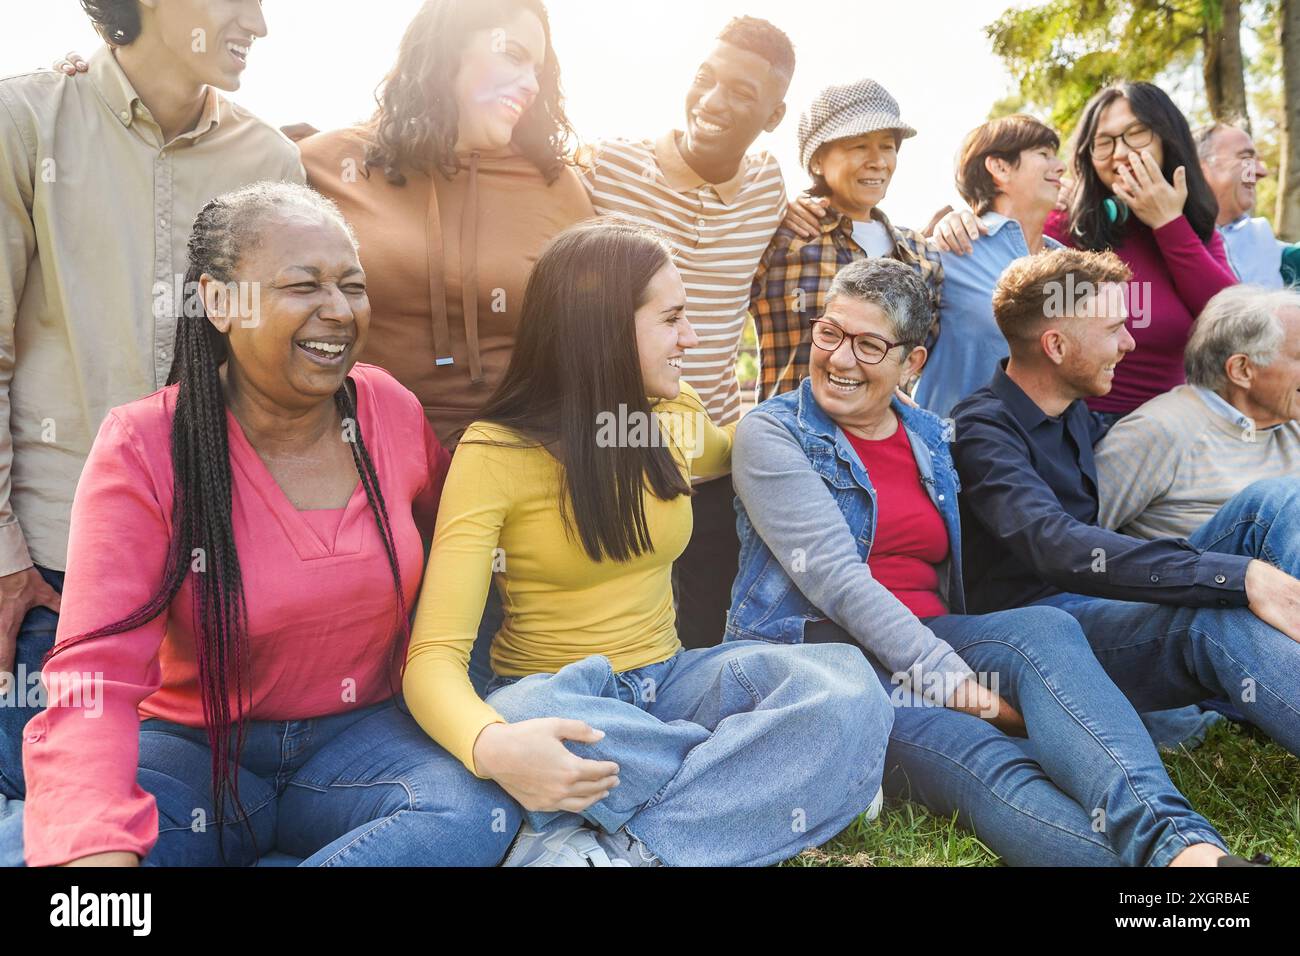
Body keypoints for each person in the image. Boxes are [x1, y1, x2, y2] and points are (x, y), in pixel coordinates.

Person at [18, 182, 517, 867]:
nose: (338, 311)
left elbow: (468, 546)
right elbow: (96, 676)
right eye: (303, 285)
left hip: (361, 745)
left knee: (470, 811)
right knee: (76, 865)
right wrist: (95, 845)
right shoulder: (143, 443)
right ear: (219, 302)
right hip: (194, 752)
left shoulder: (388, 409)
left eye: (352, 285)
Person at [403, 220, 888, 867]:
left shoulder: (676, 414)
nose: (690, 338)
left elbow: (748, 445)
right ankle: (767, 773)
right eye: (672, 319)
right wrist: (492, 745)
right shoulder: (495, 452)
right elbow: (432, 659)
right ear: (602, 328)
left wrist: (835, 394)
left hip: (672, 680)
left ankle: (626, 848)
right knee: (521, 711)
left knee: (850, 686)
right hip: (561, 695)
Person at [729, 257, 1240, 866]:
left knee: (1047, 628)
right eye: (831, 334)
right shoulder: (774, 435)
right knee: (994, 758)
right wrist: (960, 689)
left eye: (869, 345)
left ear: (911, 363)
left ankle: (1186, 850)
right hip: (837, 669)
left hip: (938, 635)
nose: (840, 359)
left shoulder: (931, 438)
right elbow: (838, 580)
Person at [0, 0, 304, 822]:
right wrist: (2, 558)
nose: (261, 24)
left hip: (209, 577)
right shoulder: (22, 120)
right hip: (49, 581)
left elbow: (274, 383)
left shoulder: (269, 158)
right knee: (56, 821)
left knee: (175, 821)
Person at [951, 248, 1300, 771]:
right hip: (1039, 631)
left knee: (1273, 503)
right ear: (1056, 345)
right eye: (1115, 327)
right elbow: (1055, 545)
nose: (1130, 343)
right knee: (1212, 616)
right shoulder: (984, 430)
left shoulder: (1072, 409)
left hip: (1090, 604)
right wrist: (1234, 576)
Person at [578, 16, 793, 649]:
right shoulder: (607, 169)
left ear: (774, 116)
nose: (714, 101)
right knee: (615, 646)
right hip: (609, 451)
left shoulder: (769, 189)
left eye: (742, 94)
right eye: (706, 78)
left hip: (709, 461)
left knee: (704, 636)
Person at [296, 0, 593, 447]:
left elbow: (595, 337)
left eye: (539, 68)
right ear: (447, 50)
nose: (531, 83)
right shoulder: (324, 165)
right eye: (512, 55)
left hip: (517, 458)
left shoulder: (556, 186)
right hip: (354, 452)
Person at [1045, 82, 1237, 420]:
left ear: (1167, 138)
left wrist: (1168, 224)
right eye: (1104, 142)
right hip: (1080, 429)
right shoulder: (1063, 228)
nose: (1120, 153)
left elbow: (1233, 325)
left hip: (1174, 426)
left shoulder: (1194, 229)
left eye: (1137, 134)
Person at [750, 79, 941, 402]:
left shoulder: (922, 255)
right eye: (859, 146)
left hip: (882, 445)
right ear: (817, 161)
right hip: (789, 441)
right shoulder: (782, 238)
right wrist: (773, 209)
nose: (878, 161)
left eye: (887, 145)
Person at [1097, 284, 1300, 539]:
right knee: (1273, 500)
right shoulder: (1158, 430)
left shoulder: (1291, 423)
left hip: (1281, 574)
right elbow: (1074, 541)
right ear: (1241, 370)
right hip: (1197, 575)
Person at [913, 115, 1066, 419]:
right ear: (999, 167)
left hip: (1042, 458)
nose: (1060, 166)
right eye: (1043, 155)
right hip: (952, 452)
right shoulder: (949, 251)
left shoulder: (1071, 268)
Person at [1196, 122, 1289, 289]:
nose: (1262, 172)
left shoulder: (1261, 234)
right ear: (1201, 167)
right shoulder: (1170, 237)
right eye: (1246, 158)